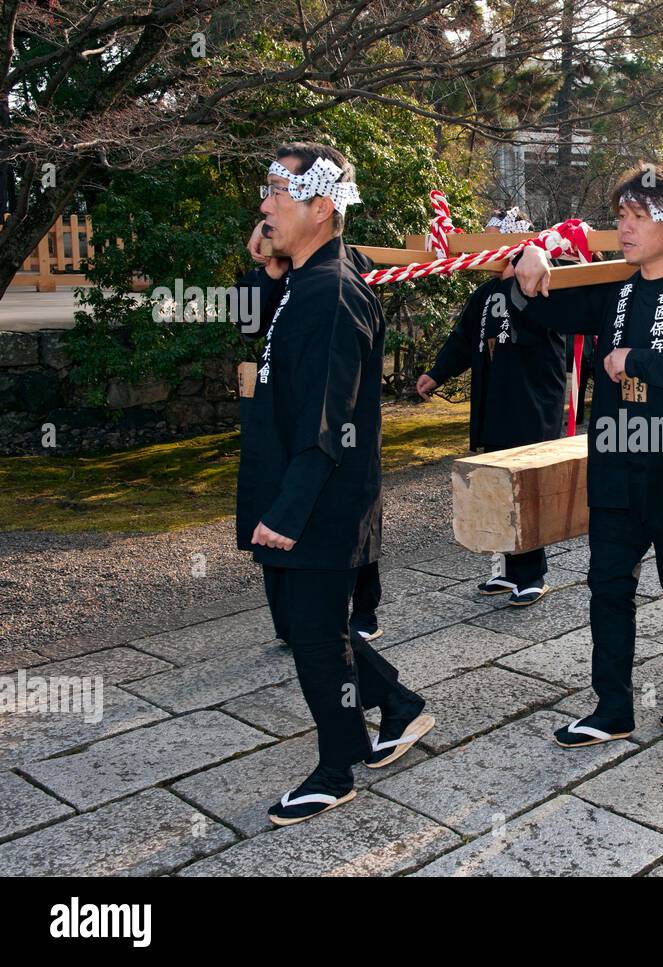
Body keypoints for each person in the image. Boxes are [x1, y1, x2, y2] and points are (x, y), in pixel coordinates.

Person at [511, 162, 663, 745]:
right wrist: (529, 266)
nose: (626, 228)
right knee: (608, 585)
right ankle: (612, 706)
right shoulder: (617, 287)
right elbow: (545, 309)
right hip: (616, 461)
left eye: (639, 217)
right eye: (621, 216)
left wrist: (635, 360)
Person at [234, 143, 432, 826]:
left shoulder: (332, 291)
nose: (264, 205)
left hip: (320, 496)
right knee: (305, 622)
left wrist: (286, 512)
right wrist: (267, 260)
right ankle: (398, 707)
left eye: (278, 196)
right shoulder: (311, 277)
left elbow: (327, 421)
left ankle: (335, 767)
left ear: (320, 209)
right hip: (299, 487)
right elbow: (256, 324)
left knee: (316, 636)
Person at [414, 222, 566, 606]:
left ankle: (531, 573)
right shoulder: (485, 293)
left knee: (525, 488)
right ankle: (504, 569)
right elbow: (463, 340)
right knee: (495, 486)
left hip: (531, 402)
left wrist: (529, 268)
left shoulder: (543, 284)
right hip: (493, 402)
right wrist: (436, 373)